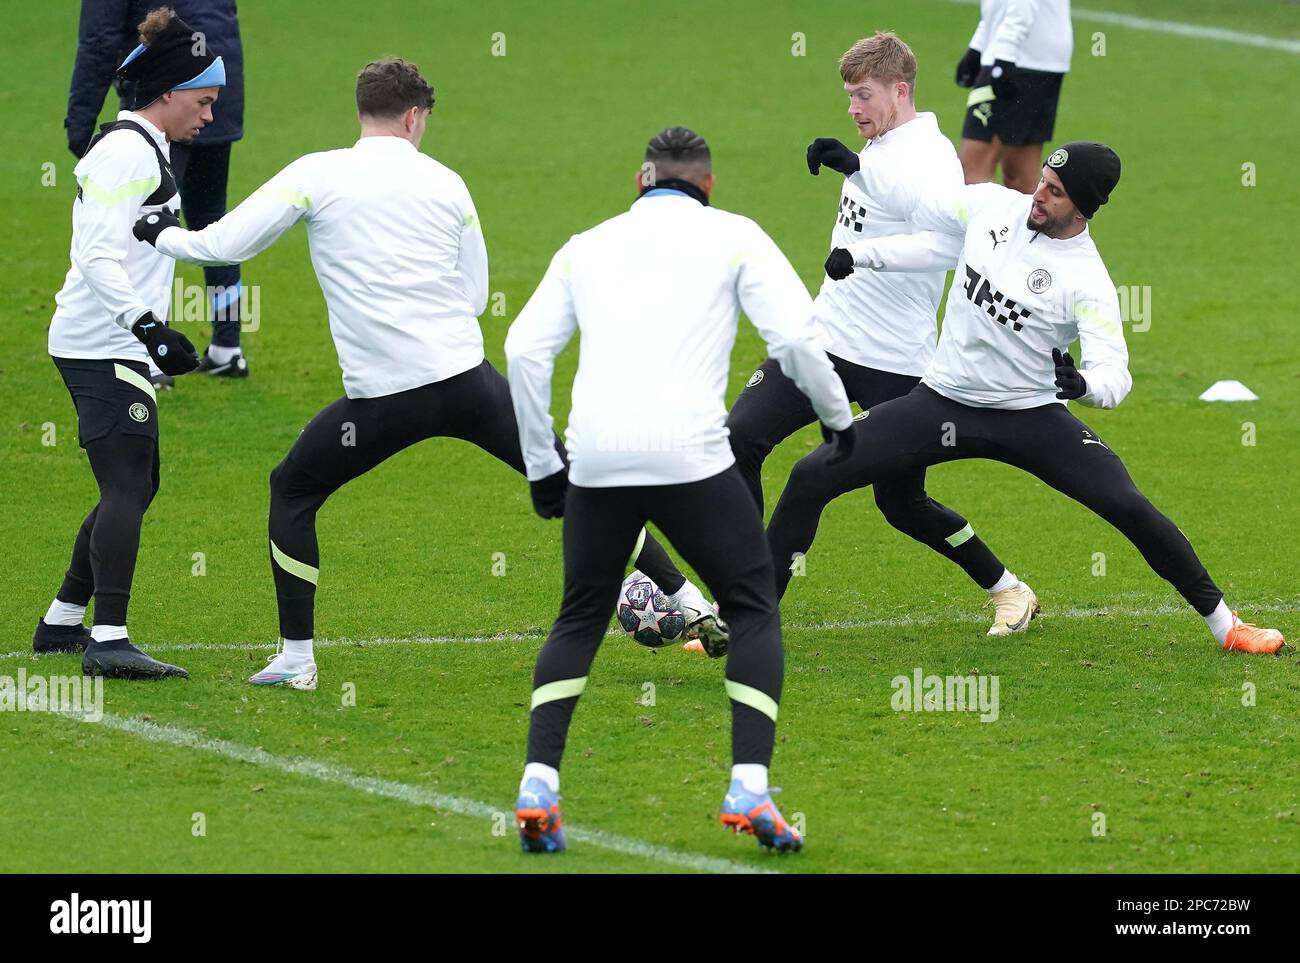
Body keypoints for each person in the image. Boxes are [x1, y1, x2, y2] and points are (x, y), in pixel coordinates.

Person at [132, 58, 708, 691]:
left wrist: (163, 237)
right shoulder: (448, 183)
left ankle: (296, 659)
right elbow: (475, 290)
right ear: (413, 116)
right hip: (468, 382)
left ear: (364, 111)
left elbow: (224, 246)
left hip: (383, 401)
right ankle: (689, 598)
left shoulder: (316, 175)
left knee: (293, 491)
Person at [768, 141, 1286, 655]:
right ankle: (752, 617)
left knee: (1128, 506)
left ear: (1083, 206)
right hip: (941, 402)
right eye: (1042, 180)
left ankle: (1227, 626)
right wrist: (858, 169)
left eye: (1055, 192)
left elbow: (1115, 373)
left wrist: (1083, 385)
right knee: (811, 475)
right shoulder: (996, 206)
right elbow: (919, 201)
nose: (1039, 195)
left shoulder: (1087, 280)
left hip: (1030, 418)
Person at [505, 126, 856, 854]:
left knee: (577, 620)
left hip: (598, 457)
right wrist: (837, 419)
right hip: (691, 457)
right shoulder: (736, 237)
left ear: (640, 182)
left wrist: (544, 463)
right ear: (708, 186)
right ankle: (749, 786)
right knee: (755, 606)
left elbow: (521, 349)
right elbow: (795, 338)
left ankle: (538, 784)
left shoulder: (587, 244)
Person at [749, 31, 1041, 634]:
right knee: (738, 443)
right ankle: (747, 599)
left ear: (899, 90)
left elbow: (944, 244)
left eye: (863, 96)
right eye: (849, 97)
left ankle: (1008, 589)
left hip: (895, 362)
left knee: (901, 504)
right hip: (822, 339)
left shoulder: (930, 158)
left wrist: (865, 254)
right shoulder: (877, 145)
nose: (853, 109)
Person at [39, 6, 219, 679]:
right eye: (202, 102)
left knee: (139, 482)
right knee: (125, 482)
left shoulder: (150, 147)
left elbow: (132, 244)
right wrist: (149, 329)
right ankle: (108, 639)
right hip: (99, 341)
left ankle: (61, 621)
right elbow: (94, 255)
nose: (207, 117)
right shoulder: (122, 152)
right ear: (167, 93)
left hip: (108, 340)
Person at [66, 0, 249, 382]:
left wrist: (81, 123)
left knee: (143, 223)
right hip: (218, 87)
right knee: (209, 218)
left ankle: (149, 353)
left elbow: (99, 38)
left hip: (170, 93)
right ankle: (227, 347)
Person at [954, 0, 1073, 192]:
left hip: (1017, 57)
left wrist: (1003, 54)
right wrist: (979, 45)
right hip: (1036, 59)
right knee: (1020, 177)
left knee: (972, 170)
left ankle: (987, 224)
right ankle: (1030, 223)